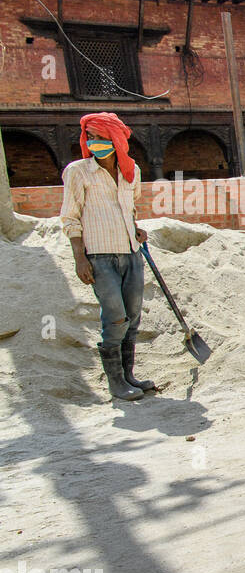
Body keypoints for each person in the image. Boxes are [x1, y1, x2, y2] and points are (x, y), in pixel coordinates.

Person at [60, 112, 154, 401]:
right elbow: (70, 217)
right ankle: (116, 383)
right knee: (115, 316)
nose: (94, 142)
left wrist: (136, 229)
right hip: (100, 257)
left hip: (131, 253)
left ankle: (128, 376)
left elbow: (128, 208)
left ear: (116, 140)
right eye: (90, 137)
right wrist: (80, 258)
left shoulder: (131, 171)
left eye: (100, 137)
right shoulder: (78, 172)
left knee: (133, 316)